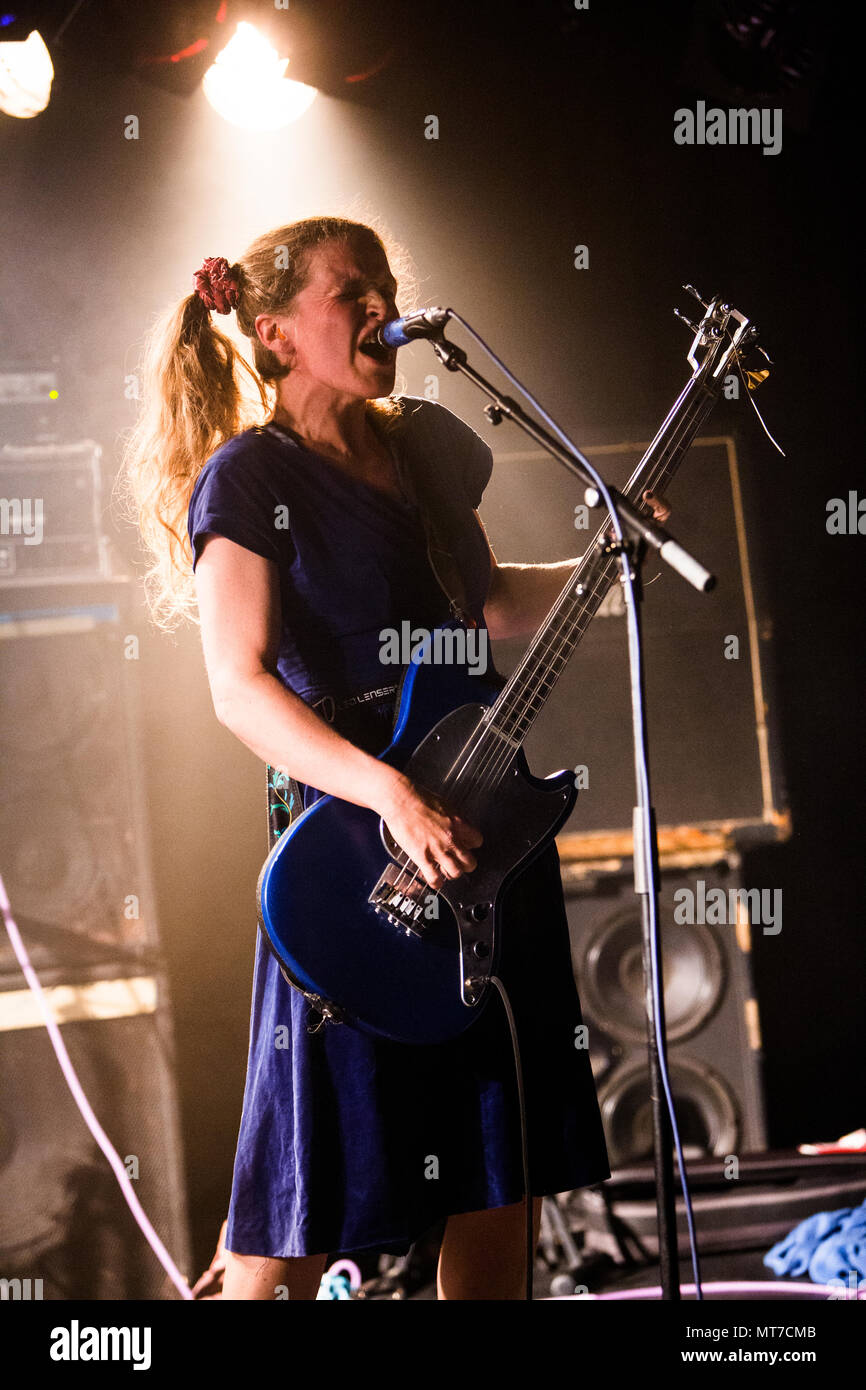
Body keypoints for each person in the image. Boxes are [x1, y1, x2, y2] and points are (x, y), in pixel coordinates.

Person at [123, 215, 670, 1301]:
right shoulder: (244, 479)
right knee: (305, 1162)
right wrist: (389, 793)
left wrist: (603, 560)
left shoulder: (421, 446)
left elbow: (487, 600)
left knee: (496, 1152)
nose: (382, 310)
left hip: (475, 824)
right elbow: (237, 686)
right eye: (350, 294)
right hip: (351, 849)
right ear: (275, 334)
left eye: (383, 288)